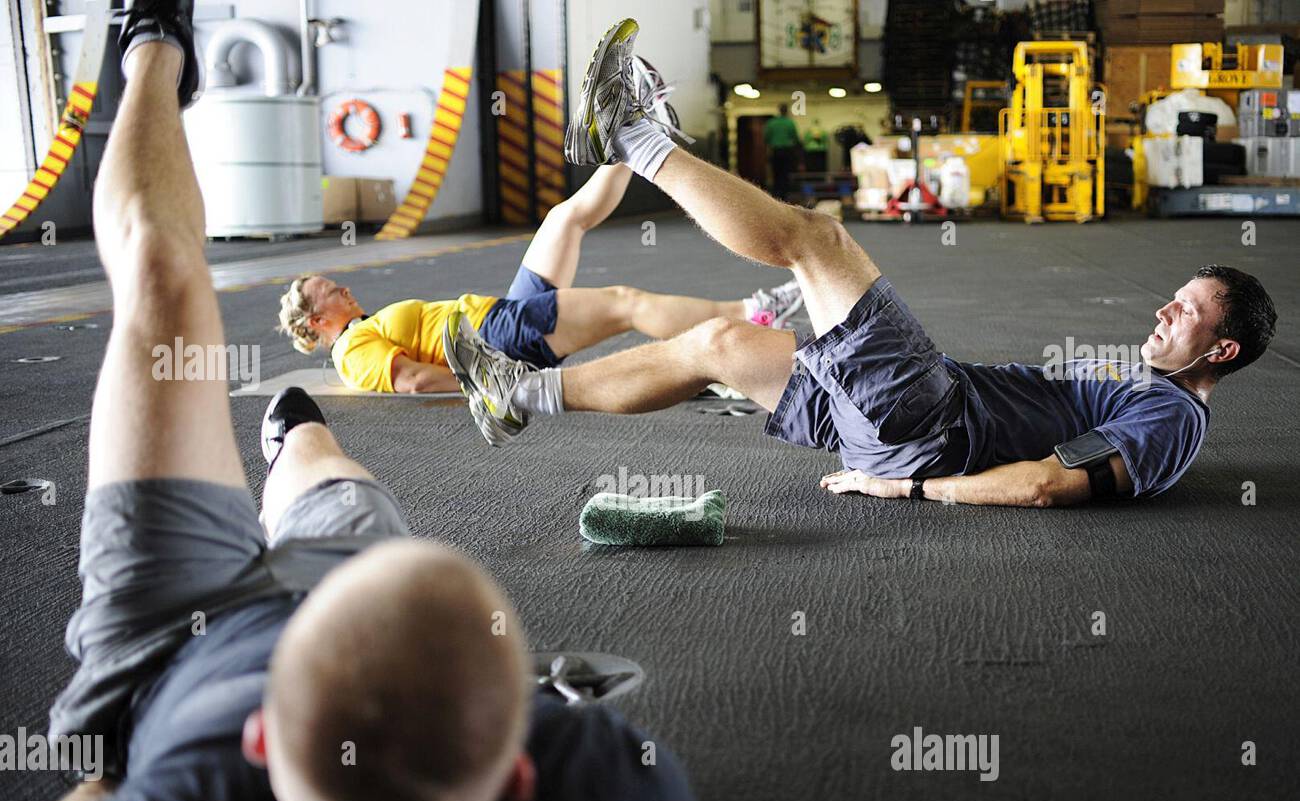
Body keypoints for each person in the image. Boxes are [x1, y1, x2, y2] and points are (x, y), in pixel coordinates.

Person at [3, 1, 699, 801]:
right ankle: (298, 439)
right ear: (514, 776)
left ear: (260, 741)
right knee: (333, 482)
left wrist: (119, 785)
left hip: (171, 648)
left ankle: (151, 35)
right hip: (341, 578)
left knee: (161, 279)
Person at [442, 17, 1278, 508]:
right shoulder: (1153, 387)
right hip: (911, 425)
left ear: (1224, 350)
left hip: (932, 421)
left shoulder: (1174, 419)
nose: (1165, 312)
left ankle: (632, 134)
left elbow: (1042, 486)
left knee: (818, 239)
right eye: (1173, 298)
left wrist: (912, 490)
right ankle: (516, 391)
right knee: (718, 347)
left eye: (1187, 311)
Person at [279, 53, 802, 396]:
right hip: (496, 340)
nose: (342, 287)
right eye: (330, 292)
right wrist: (496, 384)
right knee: (625, 303)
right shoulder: (352, 351)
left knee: (564, 218)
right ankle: (753, 314)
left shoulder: (365, 326)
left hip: (500, 313)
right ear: (316, 323)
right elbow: (413, 381)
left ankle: (635, 133)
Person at [764, 103, 802, 202]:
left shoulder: (771, 123)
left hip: (776, 151)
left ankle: (776, 195)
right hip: (787, 152)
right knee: (785, 174)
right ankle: (784, 197)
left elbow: (766, 138)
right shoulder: (790, 123)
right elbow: (795, 139)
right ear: (787, 111)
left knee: (776, 173)